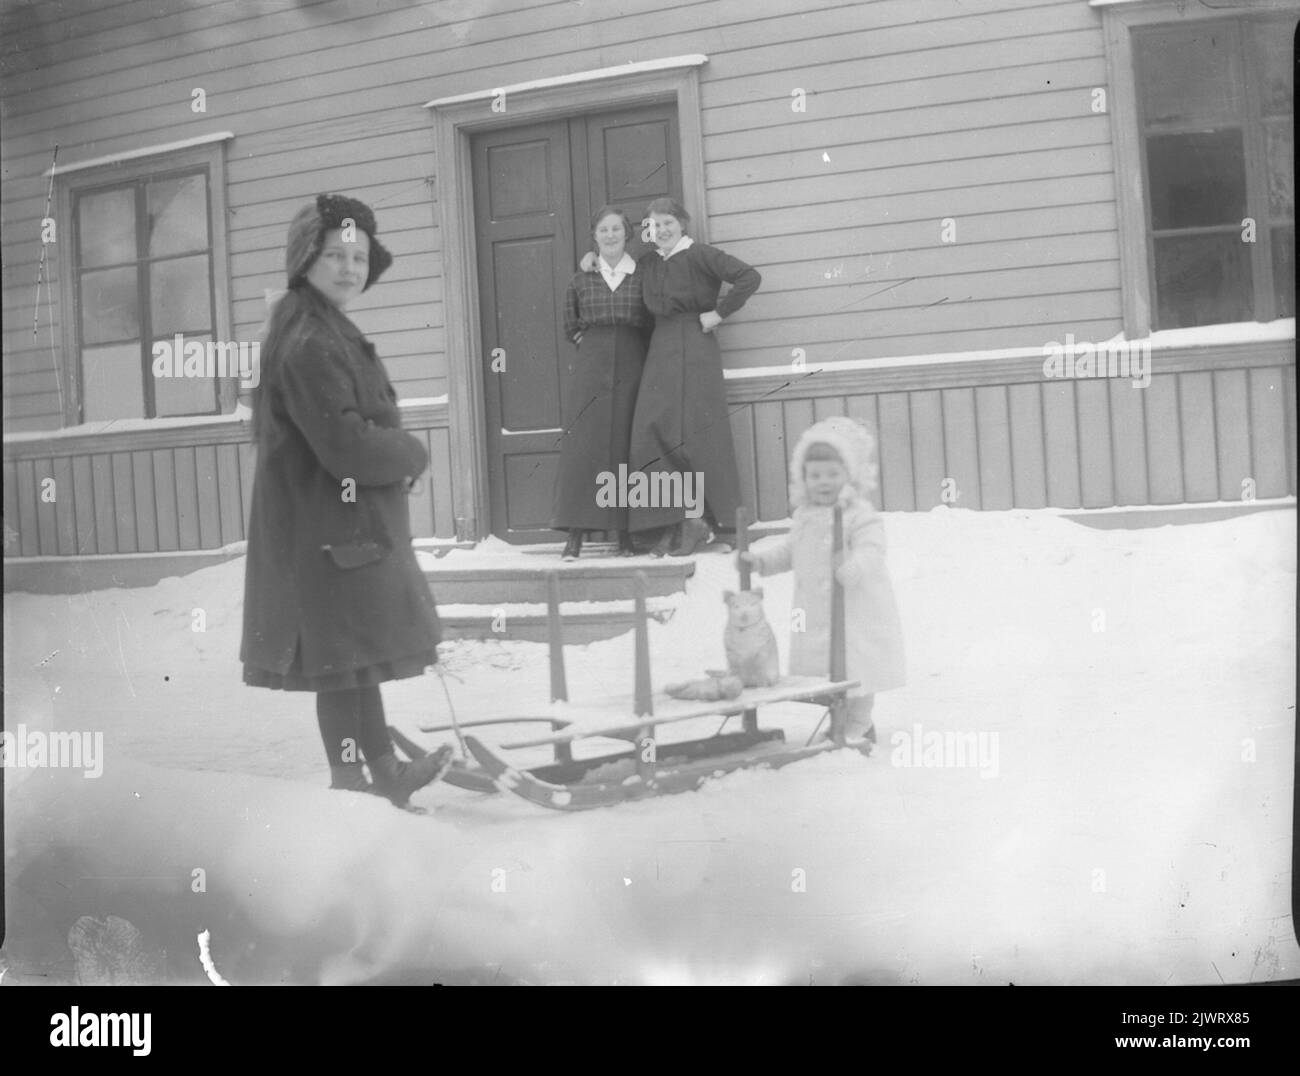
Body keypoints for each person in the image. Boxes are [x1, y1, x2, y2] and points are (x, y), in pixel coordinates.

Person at [241, 194, 453, 806]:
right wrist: (410, 453)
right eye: (335, 255)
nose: (348, 268)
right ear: (305, 259)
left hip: (339, 525)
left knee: (353, 657)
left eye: (358, 257)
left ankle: (381, 771)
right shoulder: (309, 338)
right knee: (340, 663)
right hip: (323, 528)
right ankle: (351, 782)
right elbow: (344, 443)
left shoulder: (324, 325)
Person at [582, 197, 761, 556]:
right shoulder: (648, 263)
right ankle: (675, 522)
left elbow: (748, 277)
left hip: (696, 345)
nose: (661, 230)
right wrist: (590, 260)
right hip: (660, 347)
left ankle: (719, 523)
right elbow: (614, 266)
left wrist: (718, 313)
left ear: (682, 224)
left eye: (668, 223)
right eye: (655, 225)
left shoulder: (701, 255)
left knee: (698, 431)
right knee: (652, 431)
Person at [737, 416, 905, 742]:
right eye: (814, 475)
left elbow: (873, 549)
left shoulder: (860, 514)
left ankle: (860, 723)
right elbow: (791, 551)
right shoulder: (805, 515)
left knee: (857, 666)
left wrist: (855, 566)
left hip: (856, 606)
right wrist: (761, 561)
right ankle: (839, 719)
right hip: (817, 611)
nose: (823, 482)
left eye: (832, 474)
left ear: (849, 476)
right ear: (803, 478)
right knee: (831, 671)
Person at [552, 206, 652, 559]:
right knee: (585, 448)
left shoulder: (640, 275)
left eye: (616, 229)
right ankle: (575, 535)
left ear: (627, 234)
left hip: (631, 361)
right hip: (591, 367)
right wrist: (595, 346)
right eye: (603, 230)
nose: (610, 236)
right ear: (595, 237)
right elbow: (570, 326)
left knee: (625, 445)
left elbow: (650, 321)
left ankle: (624, 533)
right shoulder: (581, 279)